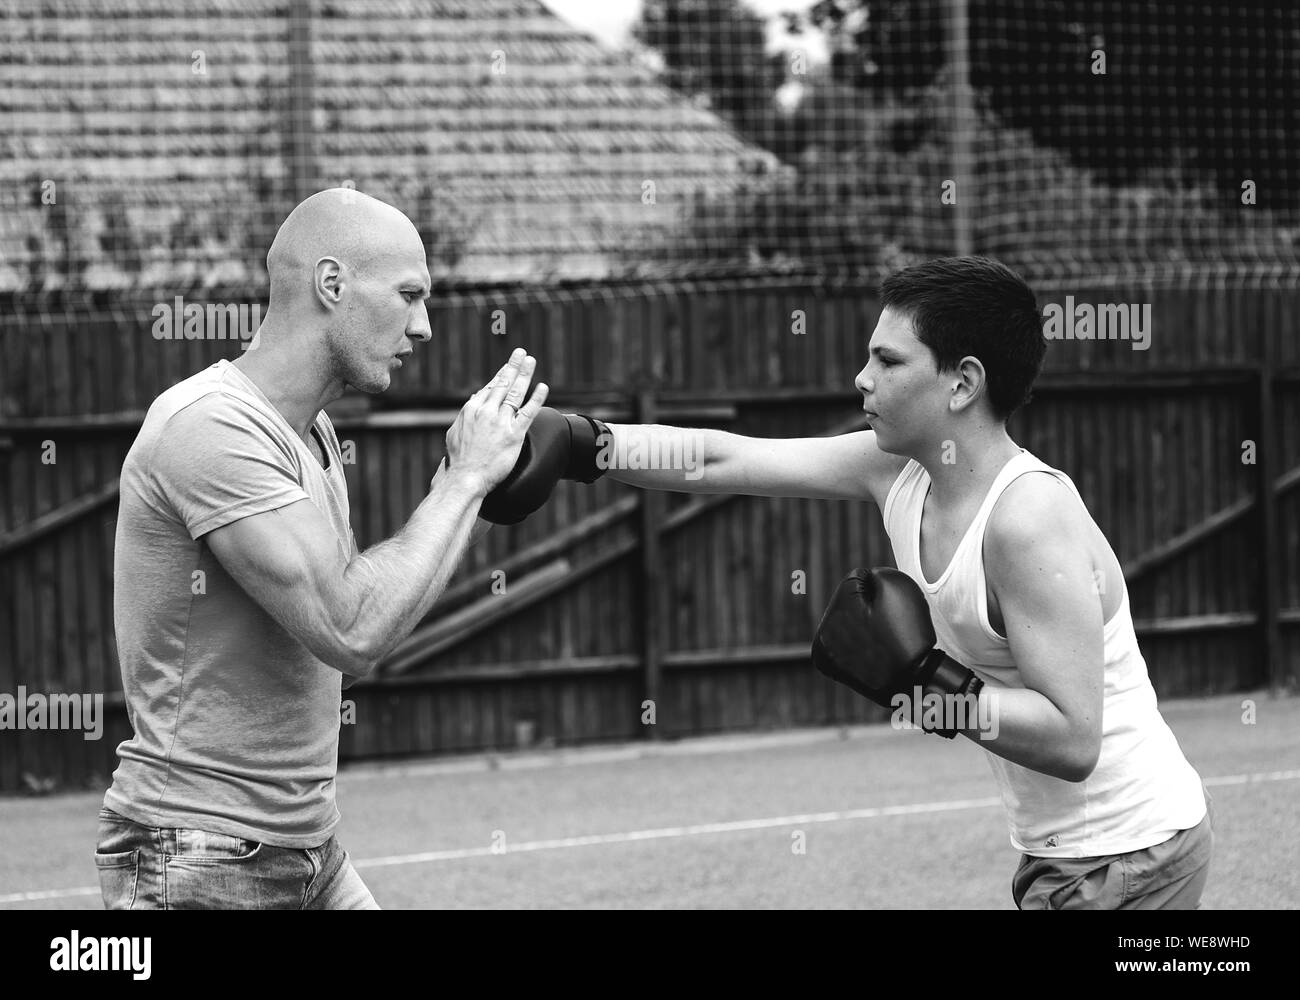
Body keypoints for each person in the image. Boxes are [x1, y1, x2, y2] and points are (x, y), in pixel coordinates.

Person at [590, 255, 1213, 910]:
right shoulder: (900, 471)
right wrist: (588, 445)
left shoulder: (1027, 521)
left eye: (888, 362)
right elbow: (726, 458)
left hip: (1129, 855)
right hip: (1067, 854)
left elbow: (1073, 739)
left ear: (962, 383)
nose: (862, 379)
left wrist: (926, 686)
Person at [97, 189, 550, 909]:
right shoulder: (211, 425)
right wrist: (464, 482)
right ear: (332, 284)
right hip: (202, 852)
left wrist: (469, 483)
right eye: (409, 295)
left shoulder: (313, 435)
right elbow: (351, 629)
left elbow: (356, 623)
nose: (424, 325)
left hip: (307, 846)